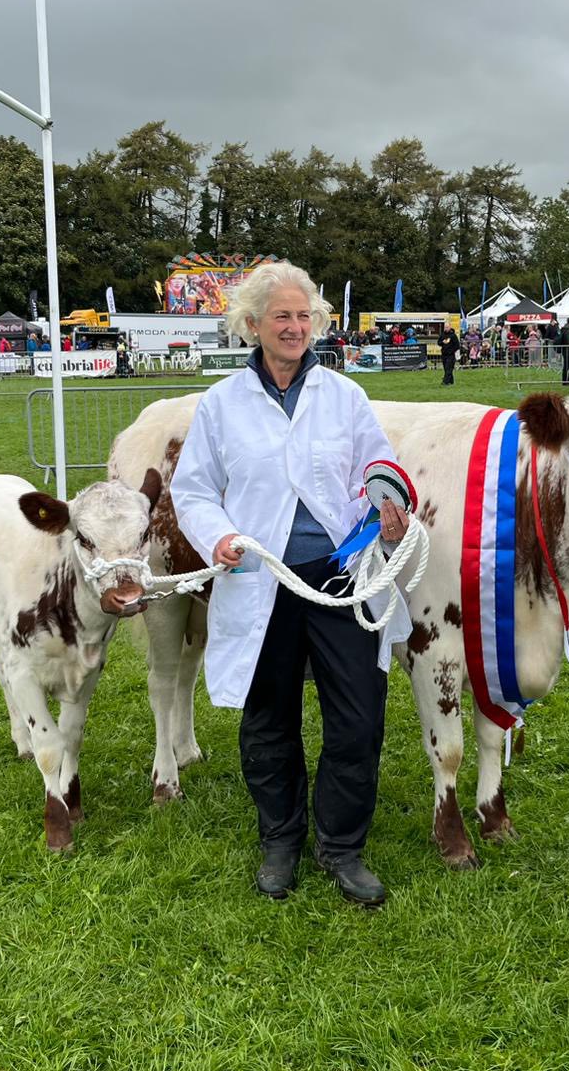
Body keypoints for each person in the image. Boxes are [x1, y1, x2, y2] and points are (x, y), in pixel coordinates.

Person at [171, 261, 411, 906]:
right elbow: (192, 489)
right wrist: (219, 537)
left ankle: (341, 846)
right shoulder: (221, 404)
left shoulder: (344, 395)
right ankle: (280, 840)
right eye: (282, 316)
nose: (296, 327)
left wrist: (388, 496)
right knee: (268, 717)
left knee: (357, 717)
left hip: (339, 578)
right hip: (259, 578)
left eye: (305, 316)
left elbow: (378, 461)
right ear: (252, 324)